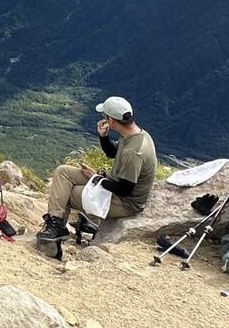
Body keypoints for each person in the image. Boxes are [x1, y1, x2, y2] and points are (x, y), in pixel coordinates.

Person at [36, 96, 158, 241]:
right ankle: (57, 225)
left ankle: (56, 228)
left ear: (112, 120)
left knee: (67, 193)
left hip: (126, 203)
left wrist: (96, 178)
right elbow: (113, 153)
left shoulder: (133, 152)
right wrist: (103, 136)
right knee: (63, 172)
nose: (104, 118)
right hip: (114, 184)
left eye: (105, 116)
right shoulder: (136, 134)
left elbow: (125, 190)